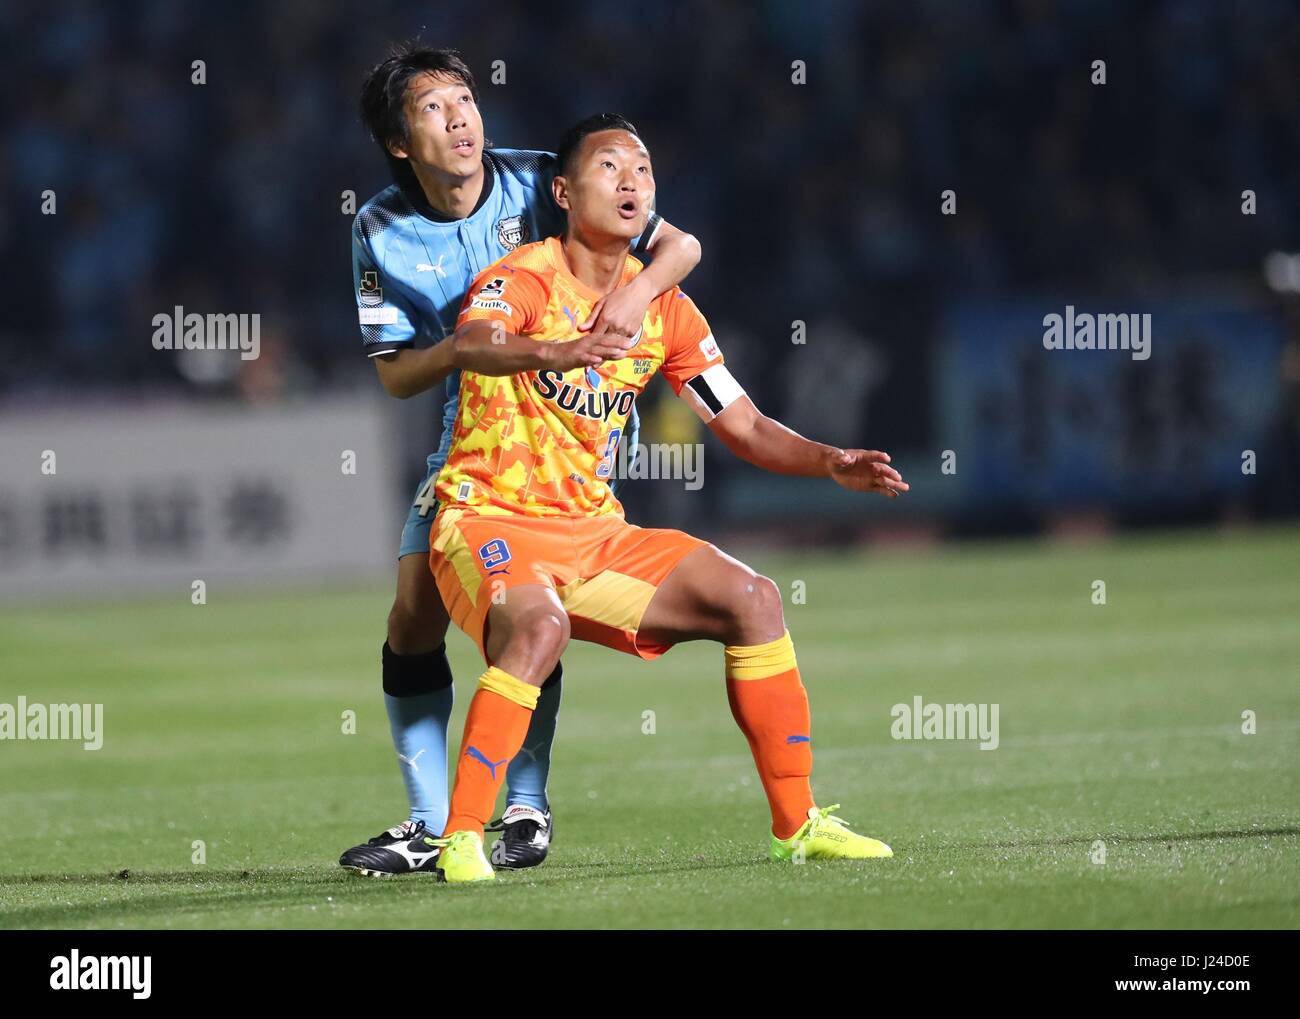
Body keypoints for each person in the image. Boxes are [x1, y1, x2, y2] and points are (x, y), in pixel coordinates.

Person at [424, 113, 908, 882]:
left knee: (754, 598)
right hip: (487, 520)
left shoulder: (666, 311)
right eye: (610, 166)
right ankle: (461, 836)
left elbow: (742, 423)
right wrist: (558, 348)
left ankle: (798, 824)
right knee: (539, 628)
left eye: (644, 170)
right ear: (563, 190)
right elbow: (474, 344)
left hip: (593, 535)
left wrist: (829, 460)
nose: (631, 181)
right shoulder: (523, 278)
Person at [339, 46, 701, 876]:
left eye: (464, 99)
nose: (461, 117)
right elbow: (397, 372)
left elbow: (680, 247)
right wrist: (462, 350)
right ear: (400, 143)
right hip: (474, 430)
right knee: (412, 616)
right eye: (434, 108)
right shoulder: (379, 229)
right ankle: (435, 820)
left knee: (526, 606)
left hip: (566, 428)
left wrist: (632, 296)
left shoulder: (543, 178)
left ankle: (523, 806)